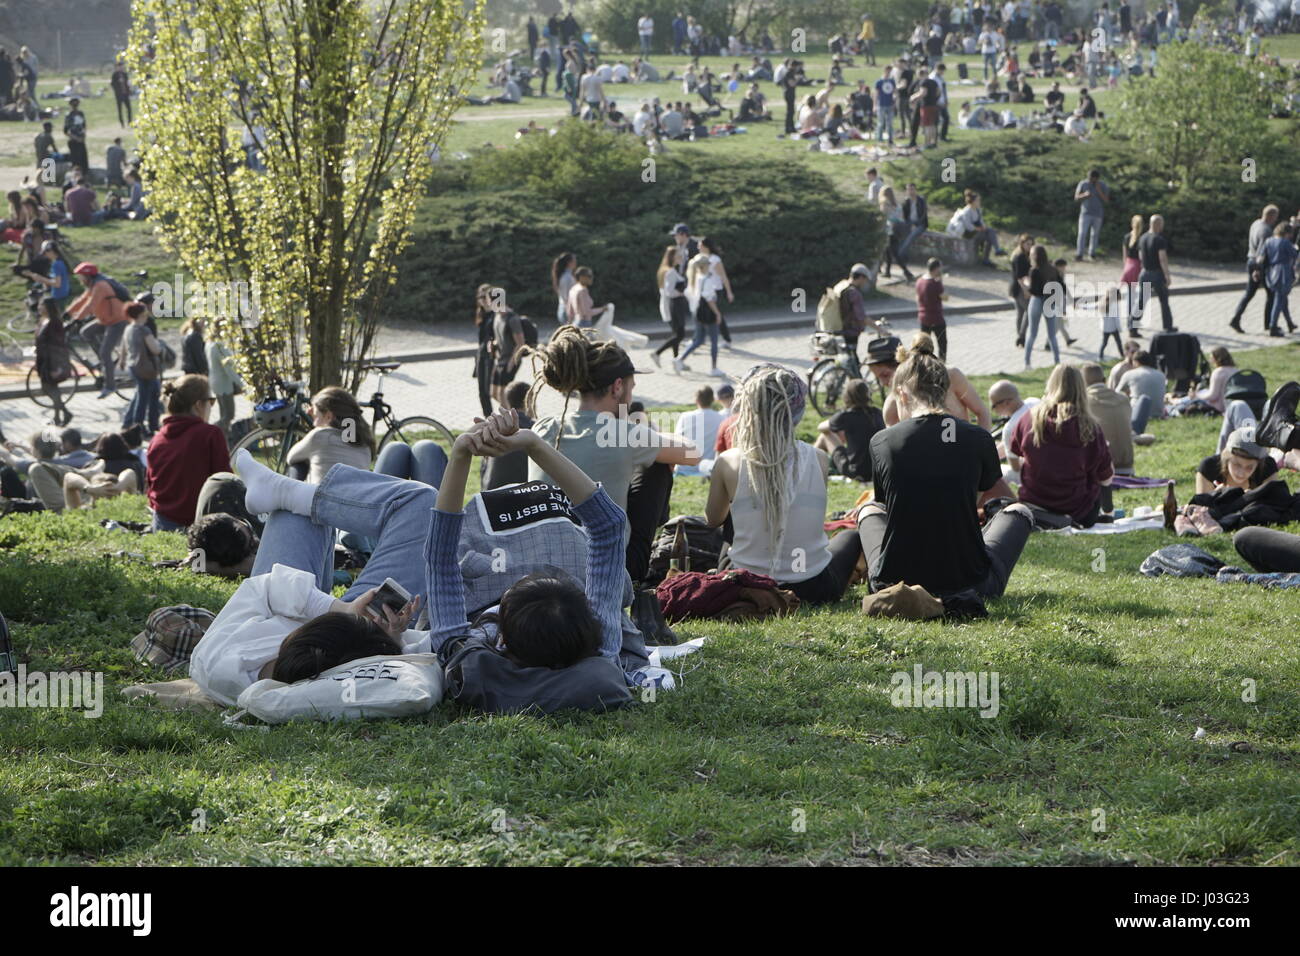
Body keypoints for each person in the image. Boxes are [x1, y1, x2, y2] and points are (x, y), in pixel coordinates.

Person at [521, 326, 700, 583]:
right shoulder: (623, 433)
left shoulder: (544, 428)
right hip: (608, 566)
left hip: (543, 560)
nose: (632, 394)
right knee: (657, 467)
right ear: (617, 387)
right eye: (631, 387)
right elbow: (692, 452)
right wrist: (650, 430)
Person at [859, 349, 1036, 598]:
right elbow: (985, 497)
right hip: (970, 583)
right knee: (1019, 511)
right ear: (945, 391)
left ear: (901, 393)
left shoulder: (882, 442)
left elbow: (886, 507)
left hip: (895, 583)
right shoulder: (978, 438)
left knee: (868, 510)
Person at [705, 365, 863, 604]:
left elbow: (713, 519)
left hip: (746, 582)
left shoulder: (729, 461)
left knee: (732, 516)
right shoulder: (818, 458)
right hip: (812, 585)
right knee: (850, 538)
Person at [1008, 364, 1114, 527]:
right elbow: (1106, 476)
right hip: (1079, 510)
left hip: (1034, 505)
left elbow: (1014, 451)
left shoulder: (1029, 419)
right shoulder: (1089, 426)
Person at [147, 375, 231, 531]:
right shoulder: (210, 434)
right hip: (202, 525)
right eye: (211, 401)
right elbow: (225, 483)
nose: (211, 407)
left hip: (162, 524)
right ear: (199, 405)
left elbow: (151, 488)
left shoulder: (156, 440)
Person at [884, 332, 992, 430]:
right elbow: (890, 425)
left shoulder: (952, 375)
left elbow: (982, 413)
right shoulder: (902, 380)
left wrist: (981, 446)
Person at [67, 262, 131, 398]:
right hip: (106, 320)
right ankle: (103, 360)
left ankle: (110, 386)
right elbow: (82, 300)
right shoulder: (93, 285)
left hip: (118, 321)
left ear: (88, 276)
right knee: (85, 332)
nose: (80, 280)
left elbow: (90, 305)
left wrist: (76, 319)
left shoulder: (100, 286)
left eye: (81, 277)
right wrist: (68, 313)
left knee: (105, 352)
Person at [285, 387, 375, 484]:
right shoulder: (366, 447)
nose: (308, 412)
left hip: (322, 499)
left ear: (328, 416)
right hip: (356, 498)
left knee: (298, 464)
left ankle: (289, 498)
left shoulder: (320, 436)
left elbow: (291, 457)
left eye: (315, 413)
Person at [676, 237, 732, 378]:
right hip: (708, 312)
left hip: (697, 311)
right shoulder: (707, 281)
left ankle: (680, 359)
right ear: (705, 267)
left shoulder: (696, 279)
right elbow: (710, 299)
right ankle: (713, 368)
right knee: (713, 340)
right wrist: (717, 313)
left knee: (699, 340)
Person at [815, 378, 885, 482]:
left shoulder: (845, 416)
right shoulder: (878, 413)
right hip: (877, 470)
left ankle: (807, 465)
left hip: (855, 471)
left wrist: (836, 426)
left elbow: (821, 427)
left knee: (825, 435)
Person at [1230, 205, 1279, 334]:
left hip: (1250, 260)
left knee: (1249, 293)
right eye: (1275, 217)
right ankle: (1268, 324)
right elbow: (1261, 253)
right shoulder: (1266, 231)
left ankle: (1236, 318)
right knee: (1271, 293)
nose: (1276, 220)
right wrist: (1258, 270)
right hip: (1259, 265)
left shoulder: (1256, 223)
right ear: (1270, 216)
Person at [62, 432, 143, 510]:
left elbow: (68, 478)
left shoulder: (81, 514)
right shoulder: (135, 463)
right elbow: (130, 474)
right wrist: (118, 487)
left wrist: (89, 488)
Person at [1194, 426, 1279, 496]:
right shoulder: (1209, 467)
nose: (1241, 473)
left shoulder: (1267, 467)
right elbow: (1200, 509)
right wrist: (1213, 498)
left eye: (1249, 467)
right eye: (1236, 464)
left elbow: (1275, 505)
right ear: (1227, 457)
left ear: (1259, 463)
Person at [121, 302, 163, 436]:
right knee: (147, 398)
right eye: (145, 313)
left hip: (133, 366)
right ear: (140, 315)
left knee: (143, 395)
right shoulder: (144, 330)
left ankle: (137, 425)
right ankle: (145, 426)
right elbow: (155, 349)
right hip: (146, 368)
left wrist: (122, 361)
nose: (147, 315)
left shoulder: (129, 328)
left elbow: (123, 347)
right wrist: (161, 347)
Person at [1023, 244, 1064, 369]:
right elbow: (1061, 285)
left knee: (1032, 333)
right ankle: (1057, 361)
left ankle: (1027, 363)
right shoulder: (1052, 269)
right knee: (1052, 335)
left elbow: (1033, 290)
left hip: (1036, 301)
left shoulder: (1034, 271)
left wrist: (1026, 283)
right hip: (1049, 302)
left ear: (1034, 256)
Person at [1135, 214, 1176, 333]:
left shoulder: (1142, 238)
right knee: (1164, 301)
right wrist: (1167, 275)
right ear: (1158, 224)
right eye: (1162, 224)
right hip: (1157, 275)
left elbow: (1140, 257)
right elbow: (1162, 259)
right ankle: (1167, 326)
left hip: (1145, 273)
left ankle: (1133, 327)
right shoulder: (1159, 240)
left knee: (1142, 301)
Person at [1257, 221, 1298, 337]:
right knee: (1280, 299)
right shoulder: (1285, 242)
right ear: (1286, 233)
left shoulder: (1268, 241)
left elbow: (1261, 257)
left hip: (1271, 271)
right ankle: (1273, 325)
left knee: (1282, 299)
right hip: (1283, 272)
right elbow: (1295, 255)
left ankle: (1289, 323)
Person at [651, 244, 690, 366]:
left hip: (672, 304)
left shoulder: (668, 270)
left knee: (676, 333)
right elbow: (669, 291)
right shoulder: (671, 272)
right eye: (678, 255)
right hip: (674, 305)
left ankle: (676, 360)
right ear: (673, 257)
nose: (681, 257)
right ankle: (657, 353)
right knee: (680, 334)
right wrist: (682, 293)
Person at [946, 189, 1004, 266]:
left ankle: (994, 252)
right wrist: (979, 229)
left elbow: (981, 221)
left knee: (990, 232)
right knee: (990, 237)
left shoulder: (978, 210)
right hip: (968, 234)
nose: (979, 202)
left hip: (976, 232)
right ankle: (991, 255)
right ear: (973, 201)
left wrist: (984, 227)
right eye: (978, 200)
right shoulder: (966, 211)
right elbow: (968, 226)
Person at [675, 386, 724, 476]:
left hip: (685, 468)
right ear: (713, 400)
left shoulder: (685, 417)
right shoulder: (721, 419)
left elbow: (676, 440)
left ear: (696, 400)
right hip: (708, 468)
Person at [488, 292, 526, 406]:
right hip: (500, 360)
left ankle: (513, 419)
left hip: (510, 360)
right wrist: (493, 344)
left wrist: (511, 362)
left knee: (502, 394)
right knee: (493, 393)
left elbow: (520, 343)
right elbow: (499, 337)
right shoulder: (497, 316)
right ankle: (516, 412)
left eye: (490, 301)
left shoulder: (513, 319)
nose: (488, 304)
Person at [1116, 350, 1166, 437]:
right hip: (1159, 413)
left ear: (1135, 362)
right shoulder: (1161, 375)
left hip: (1137, 414)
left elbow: (1116, 394)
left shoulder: (1129, 374)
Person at [205, 327, 243, 435]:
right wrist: (241, 383)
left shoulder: (209, 343)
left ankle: (224, 438)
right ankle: (211, 431)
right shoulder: (219, 346)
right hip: (223, 384)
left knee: (223, 413)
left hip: (214, 381)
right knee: (229, 414)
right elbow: (229, 369)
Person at [879, 188, 917, 282]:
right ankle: (887, 271)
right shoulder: (897, 205)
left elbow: (882, 217)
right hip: (897, 231)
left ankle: (907, 272)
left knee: (894, 253)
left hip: (888, 231)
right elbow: (900, 218)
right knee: (889, 251)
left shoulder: (884, 203)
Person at [915, 257, 949, 360]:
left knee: (924, 344)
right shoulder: (935, 283)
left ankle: (924, 362)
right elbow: (945, 297)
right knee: (942, 343)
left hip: (923, 317)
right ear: (936, 268)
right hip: (936, 317)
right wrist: (941, 282)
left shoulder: (920, 281)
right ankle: (942, 363)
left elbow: (917, 297)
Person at [1074, 168, 1110, 262]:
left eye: (1092, 179)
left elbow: (1106, 200)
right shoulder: (1083, 183)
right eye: (1089, 178)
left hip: (1098, 214)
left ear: (1096, 178)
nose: (1090, 181)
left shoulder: (1103, 185)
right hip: (1085, 213)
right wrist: (1084, 195)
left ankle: (1092, 253)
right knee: (1082, 233)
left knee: (1095, 235)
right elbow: (1076, 197)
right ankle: (1079, 254)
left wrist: (1099, 191)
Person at [1009, 233, 1033, 347]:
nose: (1030, 246)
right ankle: (1021, 336)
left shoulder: (1026, 255)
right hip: (1019, 288)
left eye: (1031, 244)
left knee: (1020, 313)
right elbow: (1019, 276)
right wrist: (1025, 290)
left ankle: (1020, 337)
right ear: (1022, 244)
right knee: (1029, 311)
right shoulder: (1020, 257)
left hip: (1018, 287)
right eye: (1028, 244)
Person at [63, 97, 88, 173]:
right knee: (75, 160)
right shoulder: (69, 115)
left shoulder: (81, 113)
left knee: (83, 160)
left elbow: (83, 126)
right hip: (73, 141)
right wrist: (76, 138)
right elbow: (66, 131)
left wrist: (83, 136)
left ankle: (84, 175)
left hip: (81, 139)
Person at [110, 59, 131, 126]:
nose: (121, 67)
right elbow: (112, 84)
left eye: (121, 66)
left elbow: (127, 83)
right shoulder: (114, 75)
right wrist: (118, 83)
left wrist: (128, 90)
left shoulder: (125, 74)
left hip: (125, 94)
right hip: (119, 95)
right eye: (119, 66)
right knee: (120, 109)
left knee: (129, 108)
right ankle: (122, 122)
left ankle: (129, 121)